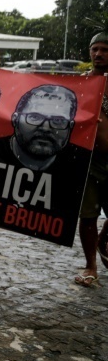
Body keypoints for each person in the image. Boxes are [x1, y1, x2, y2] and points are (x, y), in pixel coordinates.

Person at [0, 85, 85, 171]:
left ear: (71, 126)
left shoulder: (82, 162)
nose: (46, 128)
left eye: (58, 120)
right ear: (15, 120)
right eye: (35, 117)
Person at [76, 25, 108, 287]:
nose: (99, 54)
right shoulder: (83, 83)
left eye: (105, 50)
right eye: (95, 49)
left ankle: (102, 239)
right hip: (89, 162)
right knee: (88, 215)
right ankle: (90, 266)